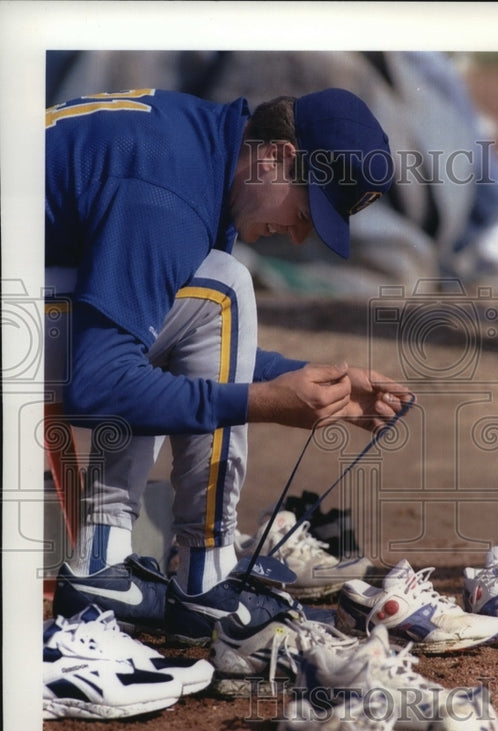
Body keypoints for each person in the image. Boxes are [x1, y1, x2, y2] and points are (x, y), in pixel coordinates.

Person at [45, 86, 414, 644]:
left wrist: (307, 379)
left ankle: (115, 564)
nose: (297, 233)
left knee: (212, 292)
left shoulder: (198, 145)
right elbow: (100, 385)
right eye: (307, 207)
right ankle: (192, 578)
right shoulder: (166, 194)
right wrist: (264, 402)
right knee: (226, 284)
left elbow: (173, 335)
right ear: (277, 157)